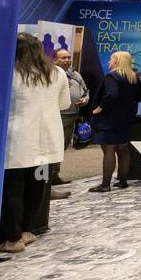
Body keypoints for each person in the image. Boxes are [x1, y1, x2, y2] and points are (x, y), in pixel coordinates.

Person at [0, 33, 69, 253]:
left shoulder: (10, 73)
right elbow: (65, 103)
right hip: (47, 142)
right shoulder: (57, 73)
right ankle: (28, 231)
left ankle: (13, 238)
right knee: (37, 185)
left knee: (14, 188)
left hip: (18, 141)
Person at [88, 50, 141, 193]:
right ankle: (123, 181)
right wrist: (128, 104)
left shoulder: (112, 77)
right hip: (126, 119)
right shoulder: (132, 77)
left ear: (116, 61)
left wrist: (100, 107)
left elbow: (112, 95)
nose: (109, 62)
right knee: (123, 149)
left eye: (111, 59)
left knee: (109, 150)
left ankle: (105, 185)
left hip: (109, 119)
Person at [48, 48, 88, 194]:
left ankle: (54, 174)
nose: (67, 60)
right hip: (58, 115)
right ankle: (49, 177)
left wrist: (85, 99)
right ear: (55, 60)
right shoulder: (52, 74)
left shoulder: (75, 75)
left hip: (73, 114)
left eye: (68, 57)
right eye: (63, 58)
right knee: (55, 146)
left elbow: (85, 90)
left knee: (63, 145)